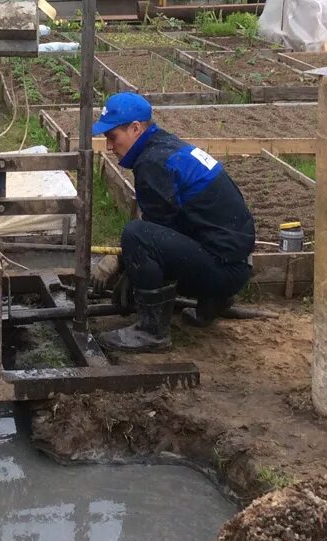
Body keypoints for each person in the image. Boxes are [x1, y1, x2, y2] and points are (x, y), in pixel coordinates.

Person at [90, 93, 256, 352]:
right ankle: (214, 300)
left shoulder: (152, 163)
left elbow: (156, 235)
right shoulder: (167, 147)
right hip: (238, 263)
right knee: (145, 237)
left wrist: (125, 264)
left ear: (135, 128)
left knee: (136, 234)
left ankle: (151, 331)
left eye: (113, 136)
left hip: (223, 269)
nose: (110, 147)